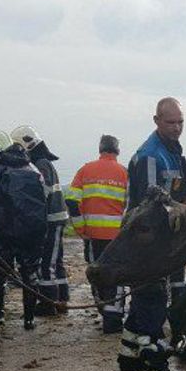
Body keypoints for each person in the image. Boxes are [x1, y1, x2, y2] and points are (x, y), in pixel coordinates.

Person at [119, 98, 186, 371]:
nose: (176, 128)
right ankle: (156, 369)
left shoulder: (172, 152)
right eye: (170, 122)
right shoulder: (151, 156)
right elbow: (150, 207)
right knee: (152, 300)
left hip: (160, 241)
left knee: (143, 298)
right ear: (156, 120)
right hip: (146, 243)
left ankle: (128, 353)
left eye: (180, 122)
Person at [0, 130, 47, 330]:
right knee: (30, 274)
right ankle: (29, 319)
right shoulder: (33, 169)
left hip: (4, 232)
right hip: (32, 233)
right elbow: (44, 200)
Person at [67, 134, 129, 333]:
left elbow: (71, 201)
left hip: (93, 235)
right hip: (118, 237)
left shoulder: (85, 170)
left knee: (97, 274)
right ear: (117, 151)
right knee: (118, 276)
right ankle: (114, 318)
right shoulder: (125, 173)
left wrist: (80, 228)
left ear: (100, 149)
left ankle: (104, 309)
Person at [11, 125, 69, 312]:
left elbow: (40, 195)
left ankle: (48, 302)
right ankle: (61, 299)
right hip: (56, 218)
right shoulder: (45, 162)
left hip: (50, 220)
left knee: (47, 262)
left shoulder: (41, 164)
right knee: (55, 261)